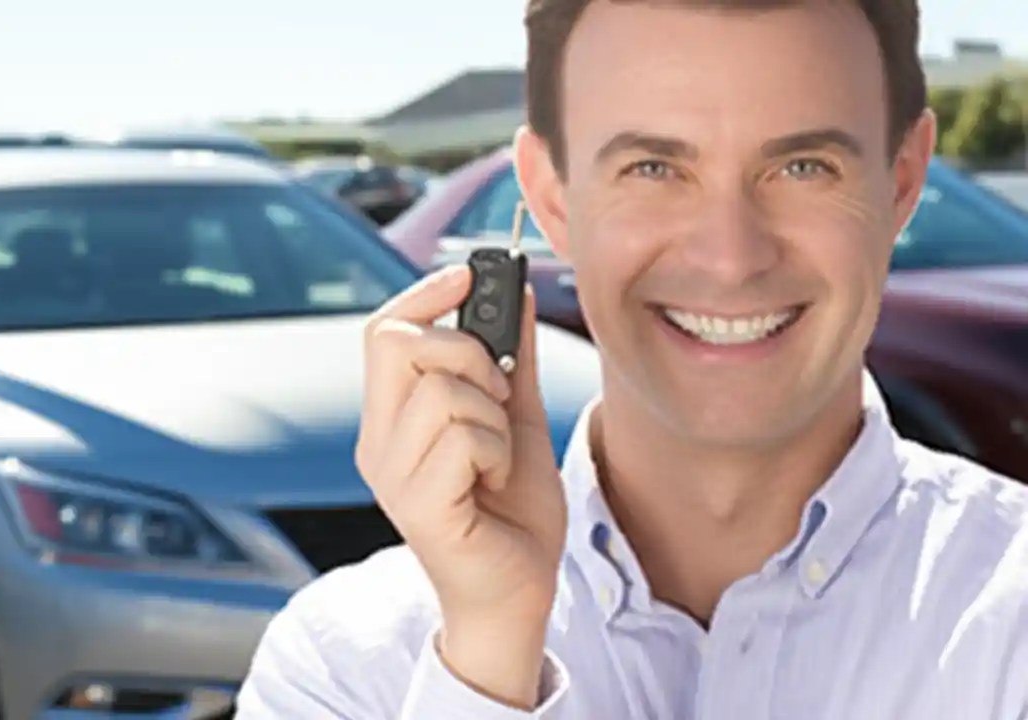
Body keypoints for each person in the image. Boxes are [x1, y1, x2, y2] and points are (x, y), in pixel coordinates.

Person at [236, 1, 1028, 717]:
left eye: (802, 167)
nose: (730, 258)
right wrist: (487, 656)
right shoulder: (344, 668)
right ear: (552, 198)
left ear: (902, 182)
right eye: (654, 169)